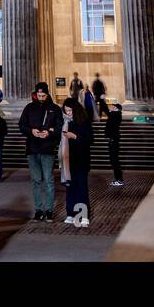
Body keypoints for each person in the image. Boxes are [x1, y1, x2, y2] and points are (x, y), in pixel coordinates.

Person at [17, 82, 61, 222]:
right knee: (36, 181)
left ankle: (48, 210)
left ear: (47, 94)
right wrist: (32, 131)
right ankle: (38, 210)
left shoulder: (55, 109)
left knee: (48, 180)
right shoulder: (29, 108)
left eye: (43, 95)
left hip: (47, 148)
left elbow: (60, 127)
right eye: (38, 95)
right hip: (32, 148)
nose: (41, 97)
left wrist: (49, 133)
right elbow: (21, 125)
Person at [62, 97, 93, 227]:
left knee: (81, 188)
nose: (68, 113)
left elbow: (90, 140)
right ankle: (70, 213)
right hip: (68, 160)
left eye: (70, 110)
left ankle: (84, 215)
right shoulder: (65, 123)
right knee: (70, 187)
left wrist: (75, 137)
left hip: (81, 160)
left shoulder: (84, 122)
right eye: (66, 111)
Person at [107, 102, 125, 186]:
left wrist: (111, 113)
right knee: (113, 160)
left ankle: (119, 179)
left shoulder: (116, 115)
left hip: (114, 139)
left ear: (118, 109)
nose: (112, 109)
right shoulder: (114, 115)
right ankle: (118, 179)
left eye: (114, 108)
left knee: (114, 160)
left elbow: (111, 123)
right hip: (112, 138)